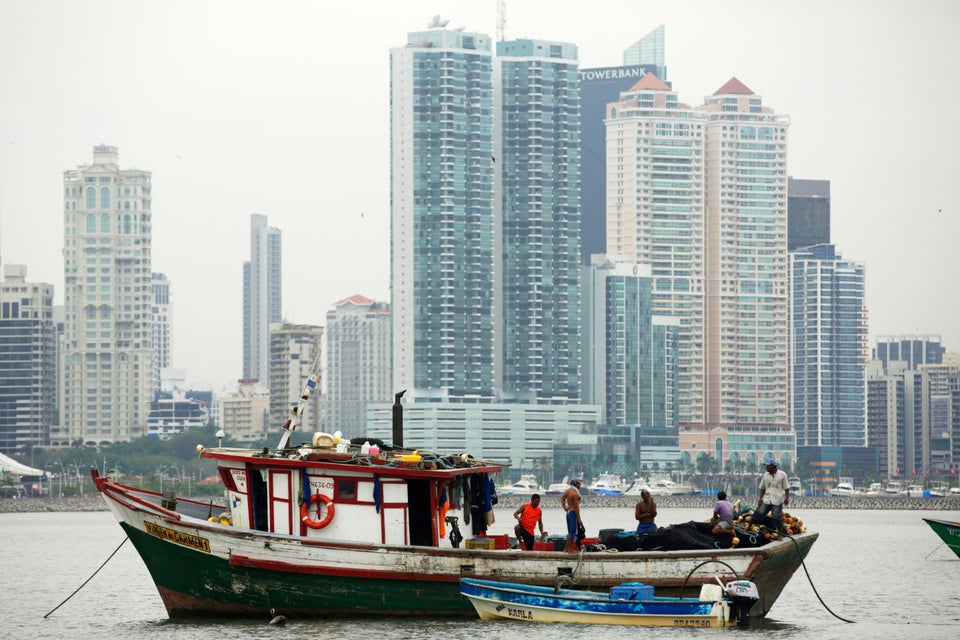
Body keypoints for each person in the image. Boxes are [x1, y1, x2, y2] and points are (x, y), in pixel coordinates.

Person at [756, 458, 790, 531]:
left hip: (777, 500)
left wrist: (787, 498)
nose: (766, 467)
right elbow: (762, 488)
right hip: (767, 499)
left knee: (777, 518)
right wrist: (760, 499)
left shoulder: (782, 475)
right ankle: (749, 527)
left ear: (773, 466)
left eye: (768, 466)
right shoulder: (765, 475)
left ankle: (780, 535)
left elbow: (786, 487)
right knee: (758, 513)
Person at [560, 478, 583, 553]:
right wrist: (579, 519)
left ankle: (566, 549)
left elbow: (562, 498)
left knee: (570, 532)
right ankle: (569, 549)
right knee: (572, 533)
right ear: (576, 484)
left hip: (568, 512)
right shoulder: (575, 494)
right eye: (579, 483)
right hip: (573, 513)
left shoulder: (568, 491)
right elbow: (576, 507)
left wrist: (564, 507)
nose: (580, 484)